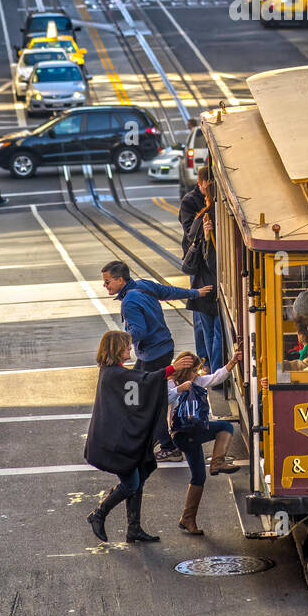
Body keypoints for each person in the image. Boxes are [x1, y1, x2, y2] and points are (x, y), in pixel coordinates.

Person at [84, 331, 193, 544]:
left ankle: (134, 529)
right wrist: (171, 369)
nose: (130, 349)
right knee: (132, 483)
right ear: (117, 349)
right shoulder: (114, 374)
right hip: (115, 443)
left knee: (137, 479)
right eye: (126, 347)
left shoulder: (112, 373)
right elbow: (142, 381)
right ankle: (98, 514)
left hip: (117, 440)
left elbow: (139, 385)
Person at [100, 260, 213, 461]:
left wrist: (121, 345)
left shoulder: (129, 302)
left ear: (119, 280)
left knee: (150, 400)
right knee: (136, 391)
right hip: (162, 349)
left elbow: (139, 331)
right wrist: (196, 293)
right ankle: (151, 436)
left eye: (107, 282)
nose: (105, 286)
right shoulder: (143, 284)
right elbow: (167, 292)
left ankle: (168, 447)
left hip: (152, 356)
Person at [168, 346, 243, 535]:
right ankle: (217, 462)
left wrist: (232, 363)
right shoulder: (171, 382)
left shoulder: (197, 381)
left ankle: (187, 519)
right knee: (225, 427)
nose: (196, 374)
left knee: (199, 476)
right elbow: (165, 396)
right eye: (194, 371)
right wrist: (179, 388)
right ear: (185, 370)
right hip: (182, 433)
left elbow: (215, 378)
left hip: (193, 432)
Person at [182, 199, 223, 373]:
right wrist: (207, 240)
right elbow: (212, 264)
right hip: (209, 291)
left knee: (210, 333)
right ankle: (215, 372)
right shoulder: (204, 223)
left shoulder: (198, 223)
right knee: (217, 334)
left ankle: (213, 370)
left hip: (203, 290)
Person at [178, 164, 208, 254]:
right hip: (195, 251)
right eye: (207, 186)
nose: (211, 190)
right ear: (199, 183)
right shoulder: (189, 201)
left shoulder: (216, 197)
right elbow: (189, 232)